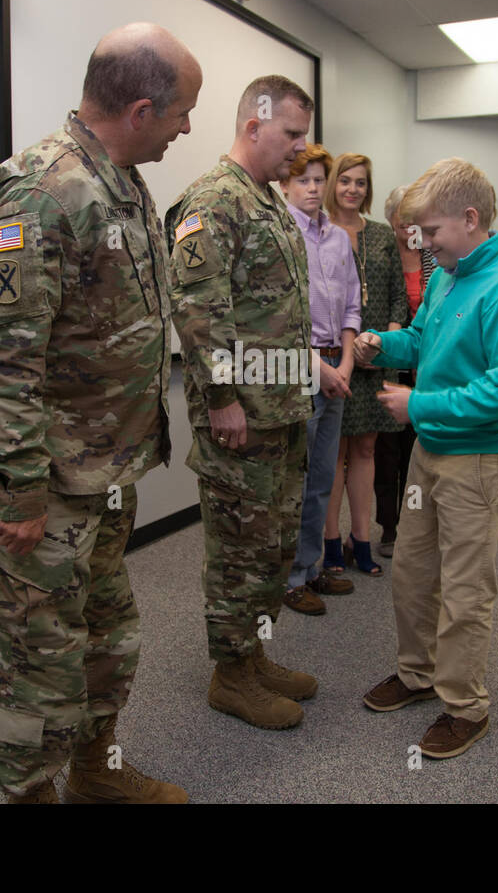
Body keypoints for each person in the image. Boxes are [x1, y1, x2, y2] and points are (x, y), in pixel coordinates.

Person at [0, 23, 201, 803]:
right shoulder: (41, 188)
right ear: (139, 106)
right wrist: (18, 491)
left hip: (101, 477)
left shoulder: (122, 179)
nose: (187, 127)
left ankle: (96, 774)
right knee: (38, 671)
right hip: (43, 489)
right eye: (181, 112)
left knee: (106, 642)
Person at [354, 157, 498, 760]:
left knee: (465, 590)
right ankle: (417, 674)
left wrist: (422, 405)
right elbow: (424, 337)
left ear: (470, 218)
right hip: (431, 452)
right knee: (412, 571)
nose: (422, 243)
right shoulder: (448, 273)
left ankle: (465, 705)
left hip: (481, 462)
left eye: (431, 232)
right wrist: (386, 344)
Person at [165, 75, 318, 730]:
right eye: (290, 135)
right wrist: (222, 399)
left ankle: (252, 657)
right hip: (242, 417)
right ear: (254, 126)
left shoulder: (268, 200)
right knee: (239, 551)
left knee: (274, 547)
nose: (299, 151)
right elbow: (200, 311)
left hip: (281, 409)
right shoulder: (213, 201)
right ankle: (230, 677)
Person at [279, 144, 361, 616]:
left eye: (318, 181)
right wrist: (321, 368)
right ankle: (290, 576)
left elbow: (351, 305)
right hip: (301, 367)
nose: (313, 188)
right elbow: (284, 316)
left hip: (338, 364)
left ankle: (310, 568)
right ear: (286, 185)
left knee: (324, 476)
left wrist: (346, 362)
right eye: (303, 180)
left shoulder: (337, 238)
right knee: (297, 474)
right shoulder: (281, 234)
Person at [322, 153, 406, 577]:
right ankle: (331, 541)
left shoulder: (382, 236)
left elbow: (396, 295)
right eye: (346, 181)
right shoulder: (318, 232)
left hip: (378, 357)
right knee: (334, 454)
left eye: (360, 183)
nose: (353, 189)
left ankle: (361, 538)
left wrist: (384, 343)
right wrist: (351, 352)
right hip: (336, 358)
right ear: (333, 185)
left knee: (368, 448)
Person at [372, 185, 427, 559]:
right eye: (404, 220)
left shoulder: (434, 256)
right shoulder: (380, 252)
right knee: (385, 451)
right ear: (391, 220)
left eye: (416, 220)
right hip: (390, 361)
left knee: (414, 453)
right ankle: (388, 527)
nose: (410, 228)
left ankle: (414, 523)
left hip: (426, 368)